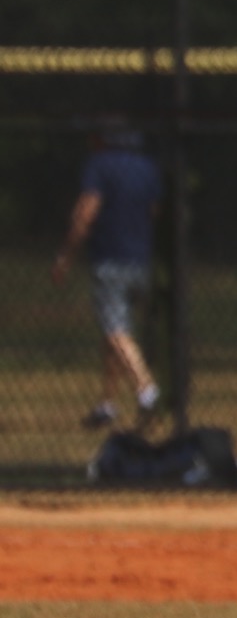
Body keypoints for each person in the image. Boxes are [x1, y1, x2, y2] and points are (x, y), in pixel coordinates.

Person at [51, 123, 164, 429]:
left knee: (115, 330)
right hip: (140, 259)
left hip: (109, 258)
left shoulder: (99, 164)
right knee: (115, 333)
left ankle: (147, 390)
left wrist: (66, 254)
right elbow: (154, 210)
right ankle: (108, 402)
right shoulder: (147, 167)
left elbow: (87, 210)